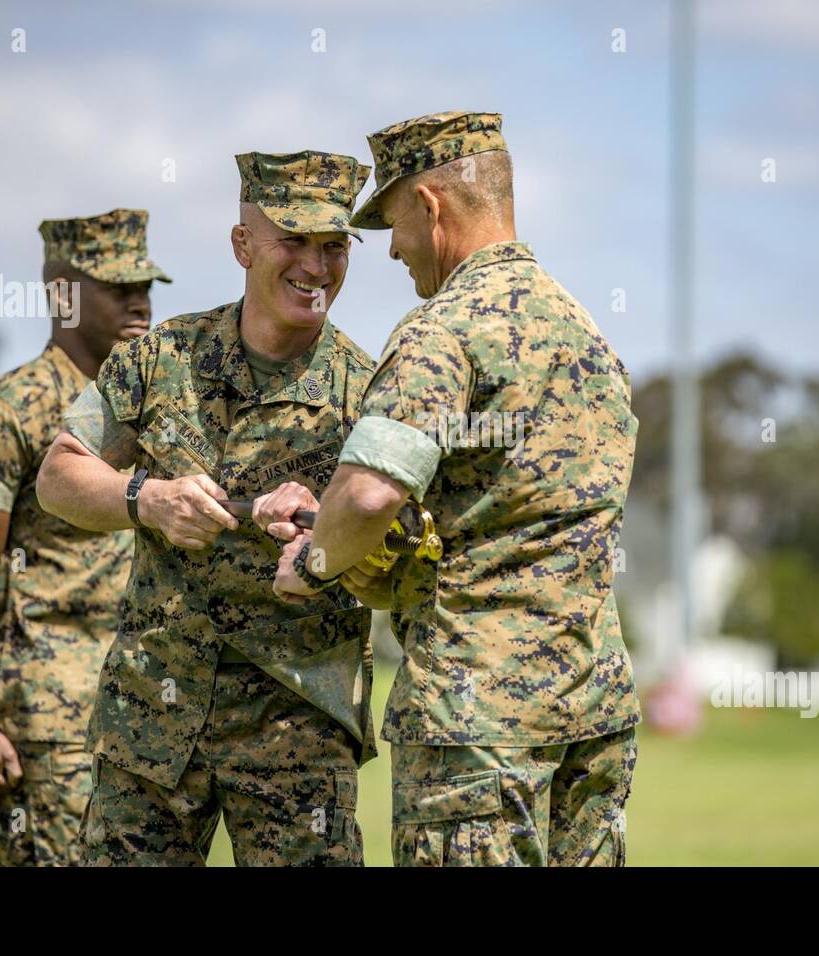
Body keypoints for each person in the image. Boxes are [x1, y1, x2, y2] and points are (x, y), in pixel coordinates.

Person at [274, 112, 641, 866]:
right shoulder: (587, 333)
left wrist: (316, 559)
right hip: (593, 711)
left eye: (393, 224)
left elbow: (373, 494)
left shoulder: (445, 330)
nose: (396, 251)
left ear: (430, 206)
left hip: (475, 724)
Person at [36, 150, 380, 866]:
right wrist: (146, 498)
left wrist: (327, 538)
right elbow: (59, 475)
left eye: (334, 246)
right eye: (294, 241)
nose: (316, 268)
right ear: (243, 244)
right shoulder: (160, 359)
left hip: (297, 734)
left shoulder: (370, 391)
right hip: (151, 725)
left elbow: (396, 540)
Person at [0, 208, 170, 865]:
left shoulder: (154, 403)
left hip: (147, 710)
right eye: (117, 286)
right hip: (50, 723)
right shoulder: (3, 412)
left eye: (145, 286)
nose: (137, 301)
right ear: (63, 292)